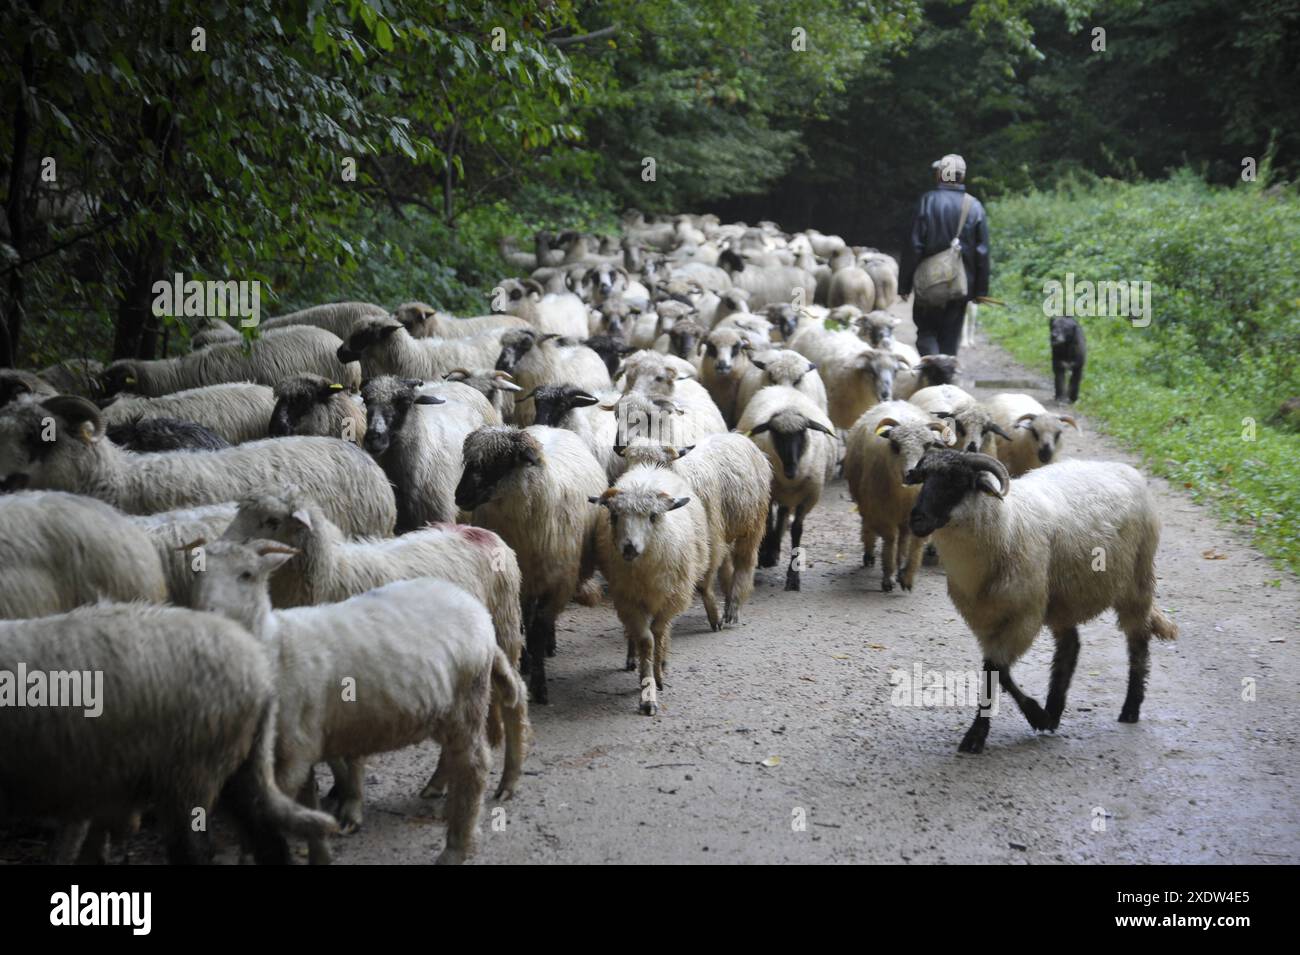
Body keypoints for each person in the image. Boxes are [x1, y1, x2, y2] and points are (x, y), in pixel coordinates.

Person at [898, 154, 990, 356]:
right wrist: (980, 290)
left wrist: (904, 285)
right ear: (962, 176)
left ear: (941, 175)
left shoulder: (927, 201)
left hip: (929, 284)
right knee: (950, 338)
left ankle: (932, 373)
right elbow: (981, 252)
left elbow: (913, 246)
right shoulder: (974, 206)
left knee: (926, 333)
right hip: (959, 287)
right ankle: (945, 380)